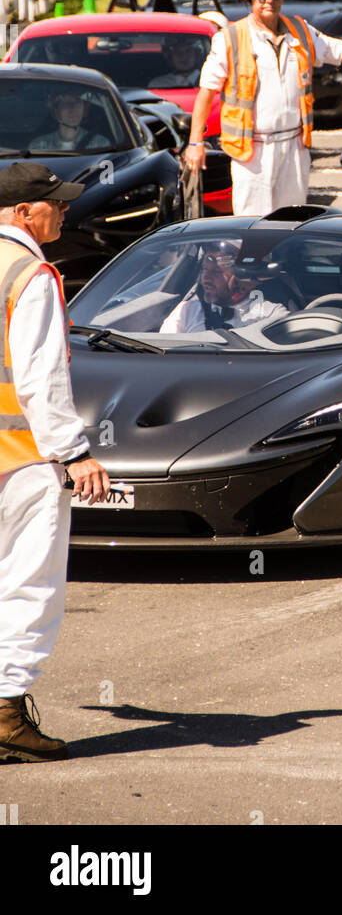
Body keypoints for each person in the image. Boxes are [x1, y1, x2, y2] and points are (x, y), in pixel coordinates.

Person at [0, 163, 110, 762]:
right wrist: (76, 454)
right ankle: (6, 717)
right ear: (24, 214)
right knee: (26, 586)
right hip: (21, 461)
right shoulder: (31, 275)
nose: (65, 213)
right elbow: (41, 381)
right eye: (56, 205)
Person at [184, 0, 342, 217]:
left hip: (294, 148)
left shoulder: (300, 31)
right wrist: (195, 142)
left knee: (292, 223)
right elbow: (206, 92)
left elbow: (334, 50)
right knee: (253, 225)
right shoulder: (230, 38)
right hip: (251, 152)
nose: (269, 0)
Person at [159, 239, 287, 334]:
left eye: (217, 272)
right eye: (204, 269)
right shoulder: (187, 311)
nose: (206, 278)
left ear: (246, 278)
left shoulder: (270, 315)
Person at [31, 88, 108, 153]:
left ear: (85, 109)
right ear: (56, 110)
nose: (73, 108)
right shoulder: (39, 145)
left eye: (78, 102)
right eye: (67, 103)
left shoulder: (101, 144)